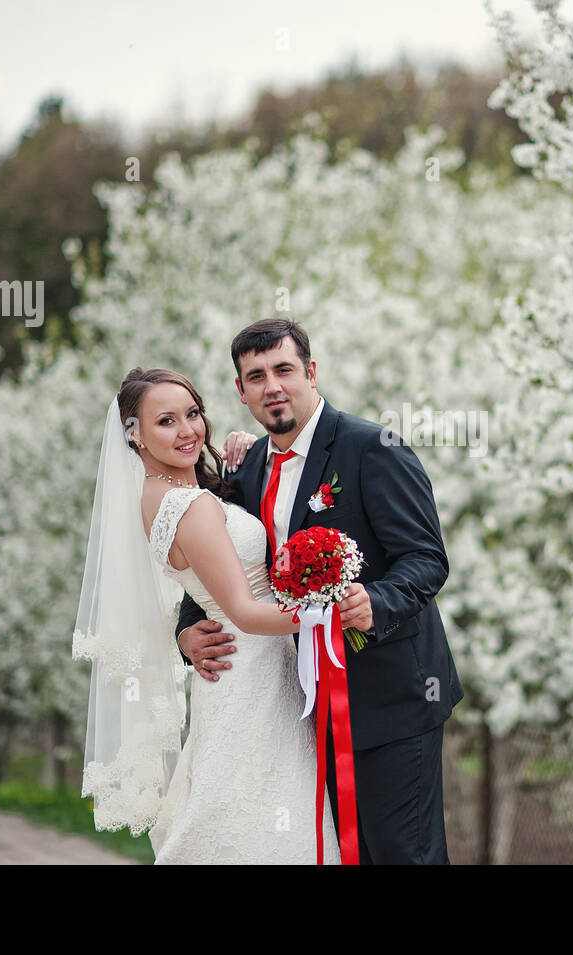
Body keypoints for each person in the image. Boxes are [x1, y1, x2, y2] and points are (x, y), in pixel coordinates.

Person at [176, 317, 463, 864]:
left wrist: (374, 603)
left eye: (283, 369)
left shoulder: (372, 448)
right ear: (240, 392)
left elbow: (426, 559)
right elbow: (226, 566)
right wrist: (186, 630)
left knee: (402, 854)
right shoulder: (249, 467)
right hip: (296, 708)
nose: (272, 386)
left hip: (390, 699)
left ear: (310, 371)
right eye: (255, 377)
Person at [74, 366, 339, 863]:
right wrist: (329, 609)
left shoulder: (158, 497)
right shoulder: (187, 505)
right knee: (270, 820)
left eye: (192, 414)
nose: (188, 431)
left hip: (235, 675)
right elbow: (243, 610)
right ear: (135, 435)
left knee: (240, 807)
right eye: (167, 421)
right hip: (255, 672)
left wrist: (240, 463)